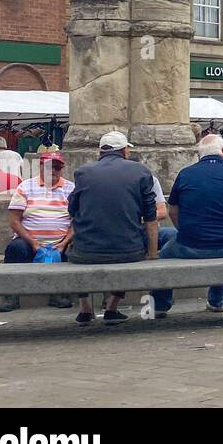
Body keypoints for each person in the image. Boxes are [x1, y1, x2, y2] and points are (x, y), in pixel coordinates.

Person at [67, 131, 158, 327]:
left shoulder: (83, 172)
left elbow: (72, 210)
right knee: (128, 248)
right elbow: (150, 218)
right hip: (128, 251)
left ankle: (84, 308)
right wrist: (152, 254)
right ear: (125, 150)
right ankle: (111, 308)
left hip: (86, 252)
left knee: (73, 251)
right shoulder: (140, 171)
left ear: (100, 152)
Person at [155, 135, 223, 314]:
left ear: (199, 155)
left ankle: (159, 305)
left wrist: (185, 231)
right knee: (218, 245)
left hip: (192, 244)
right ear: (222, 152)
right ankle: (216, 301)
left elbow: (172, 211)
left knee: (164, 253)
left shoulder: (186, 174)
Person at [0, 152, 75, 312]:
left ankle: (60, 293)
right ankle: (11, 295)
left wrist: (64, 242)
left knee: (76, 249)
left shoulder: (71, 189)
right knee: (15, 249)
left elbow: (78, 221)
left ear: (62, 169)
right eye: (48, 167)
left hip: (62, 242)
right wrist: (33, 242)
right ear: (40, 167)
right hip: (29, 241)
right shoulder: (25, 187)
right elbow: (14, 220)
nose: (53, 170)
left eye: (57, 167)